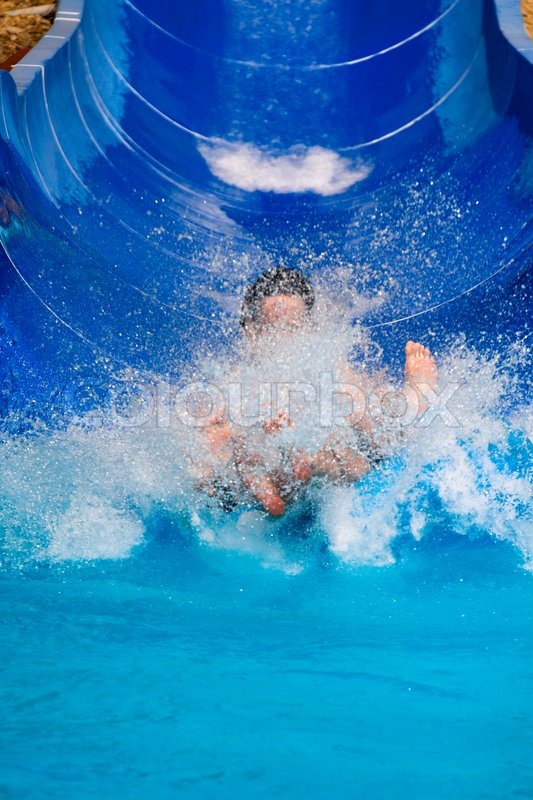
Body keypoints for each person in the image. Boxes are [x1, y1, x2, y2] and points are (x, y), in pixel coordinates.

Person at [195, 267, 438, 516]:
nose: (284, 341)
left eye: (293, 329)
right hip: (262, 474)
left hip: (325, 472)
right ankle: (279, 473)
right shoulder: (233, 384)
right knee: (230, 439)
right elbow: (201, 453)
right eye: (273, 330)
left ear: (309, 329)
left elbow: (381, 430)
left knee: (356, 425)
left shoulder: (334, 371)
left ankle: (416, 397)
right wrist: (213, 449)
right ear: (251, 330)